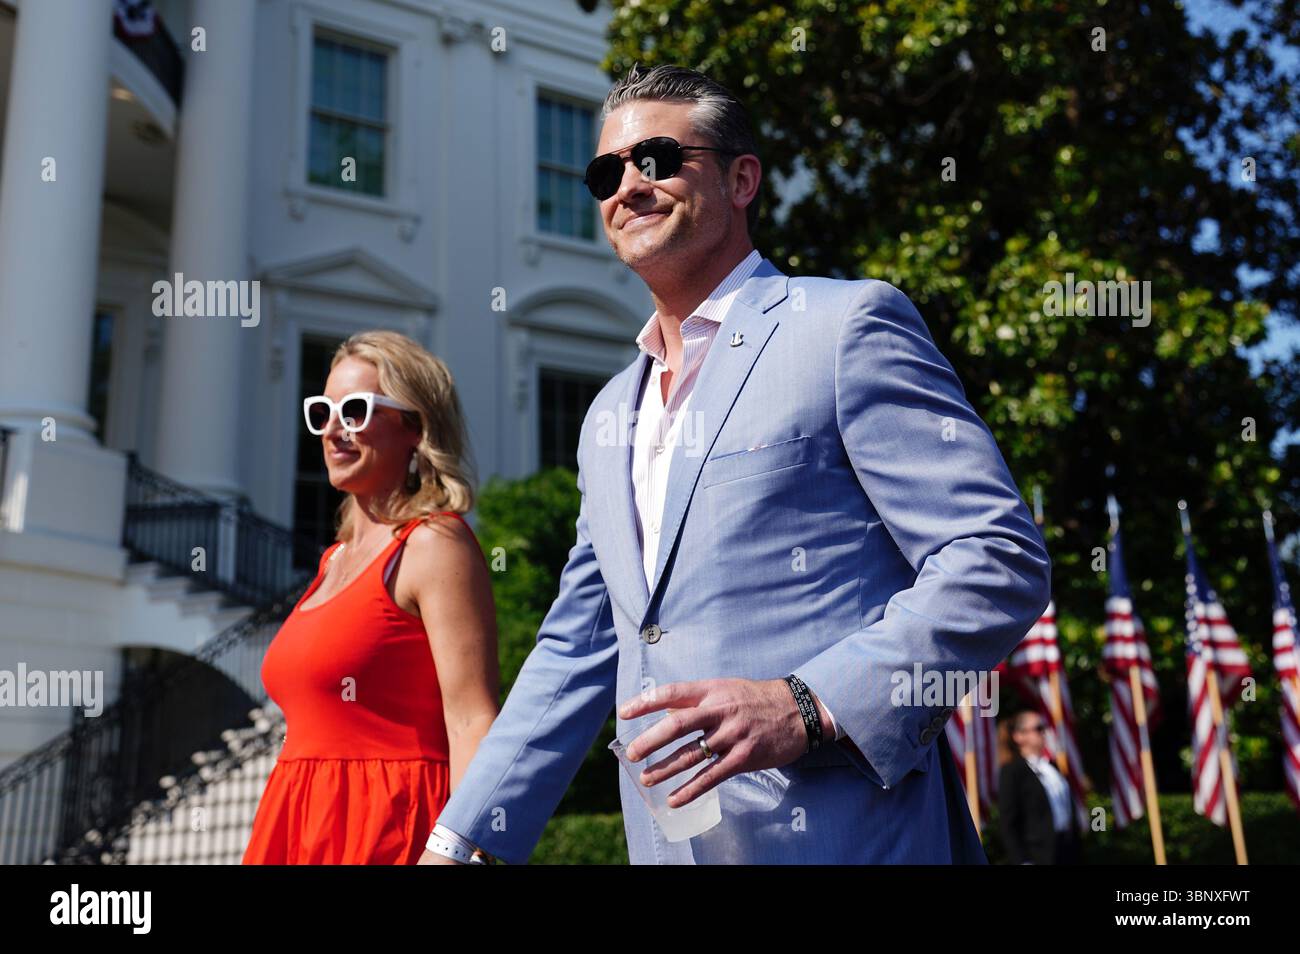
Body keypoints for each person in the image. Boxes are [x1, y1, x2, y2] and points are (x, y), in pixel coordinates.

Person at [420, 63, 1050, 866]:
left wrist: (808, 704)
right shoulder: (609, 412)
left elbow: (996, 557)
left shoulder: (845, 325)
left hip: (849, 841)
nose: (627, 187)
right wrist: (462, 839)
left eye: (655, 160)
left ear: (742, 177)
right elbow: (581, 645)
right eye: (605, 172)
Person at [243, 330, 498, 864]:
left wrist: (457, 851)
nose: (334, 430)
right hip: (299, 825)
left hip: (391, 828)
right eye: (323, 412)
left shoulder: (434, 543)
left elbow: (474, 719)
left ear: (415, 426)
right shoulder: (332, 561)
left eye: (356, 410)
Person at [997, 711, 1082, 864]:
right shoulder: (1012, 771)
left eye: (1044, 728)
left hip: (1065, 849)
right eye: (1038, 728)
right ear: (1019, 736)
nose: (1044, 732)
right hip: (1038, 854)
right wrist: (1022, 860)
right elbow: (1008, 823)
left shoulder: (1052, 766)